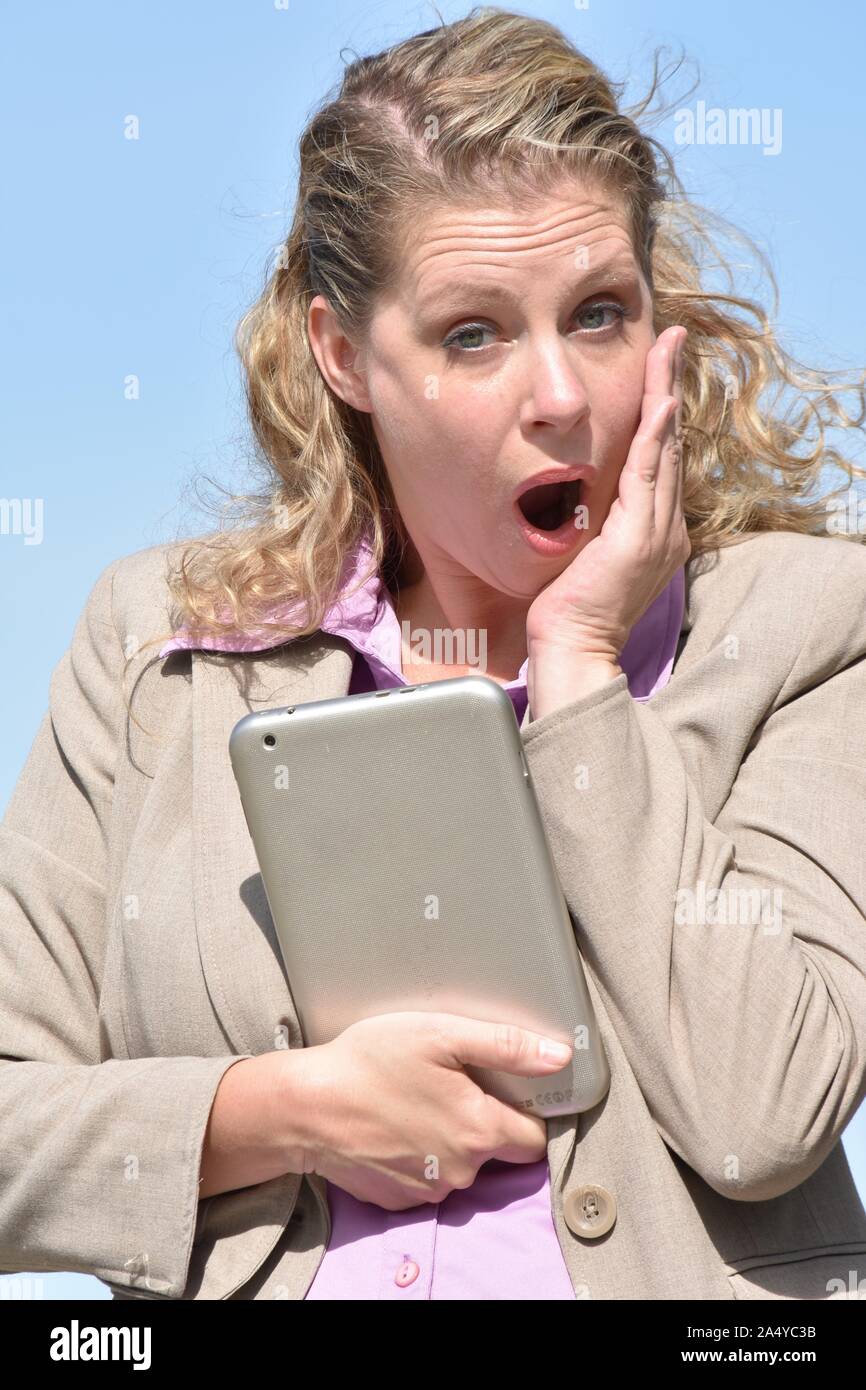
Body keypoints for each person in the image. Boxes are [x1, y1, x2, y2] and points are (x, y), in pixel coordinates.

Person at [3, 7, 866, 1302]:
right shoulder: (159, 646)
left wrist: (578, 670)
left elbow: (764, 1116)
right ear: (343, 355)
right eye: (473, 332)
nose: (562, 396)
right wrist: (278, 1110)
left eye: (597, 313)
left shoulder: (807, 626)